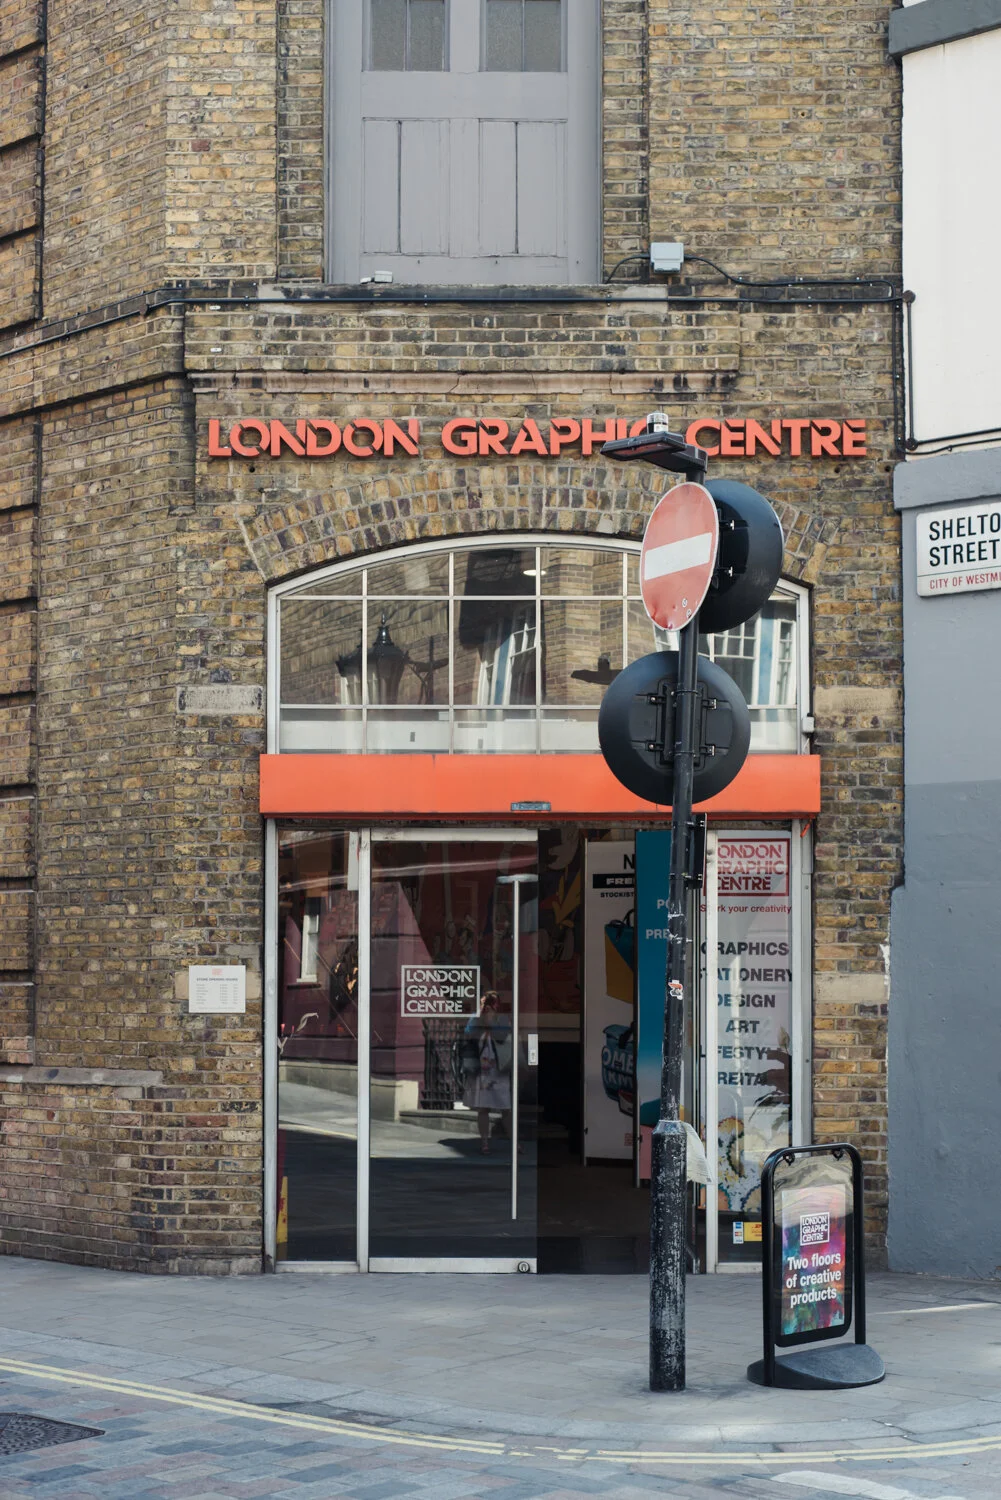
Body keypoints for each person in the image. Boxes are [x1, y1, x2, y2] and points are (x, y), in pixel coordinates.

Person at [460, 992, 512, 1154]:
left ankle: (514, 1142)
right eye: (486, 1002)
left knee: (506, 1108)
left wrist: (491, 1021)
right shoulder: (476, 1018)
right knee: (483, 1109)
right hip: (481, 1071)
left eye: (492, 1002)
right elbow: (468, 1034)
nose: (489, 1005)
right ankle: (484, 1142)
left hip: (498, 1071)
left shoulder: (502, 1019)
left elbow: (502, 1036)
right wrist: (480, 1016)